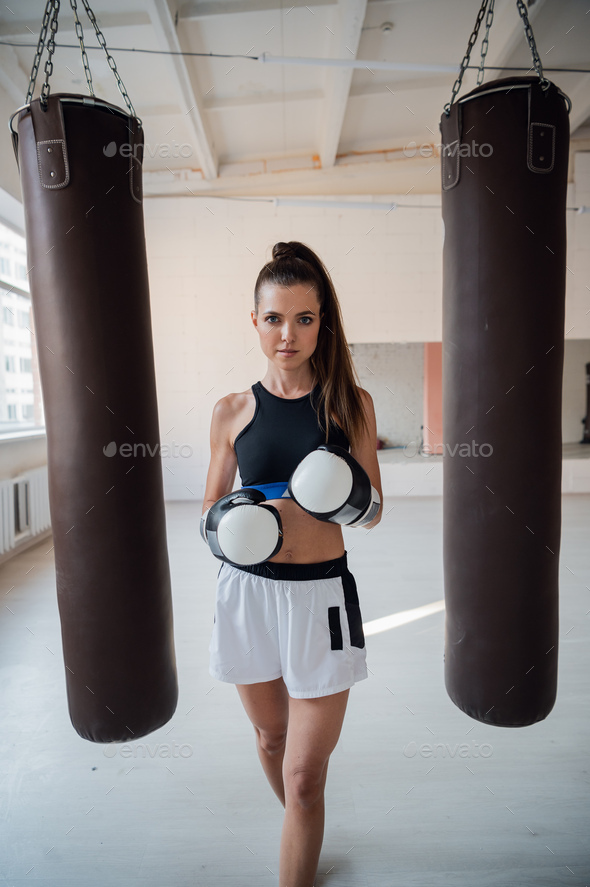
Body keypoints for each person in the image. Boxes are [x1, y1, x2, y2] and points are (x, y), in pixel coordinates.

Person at [201, 240, 383, 887]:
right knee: (272, 743)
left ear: (321, 324)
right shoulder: (231, 411)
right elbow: (208, 519)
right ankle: (302, 829)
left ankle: (302, 822)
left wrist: (341, 494)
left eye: (304, 318)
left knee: (305, 777)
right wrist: (243, 520)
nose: (288, 333)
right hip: (248, 595)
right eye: (275, 318)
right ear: (255, 321)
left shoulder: (350, 404)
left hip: (320, 598)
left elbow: (375, 509)